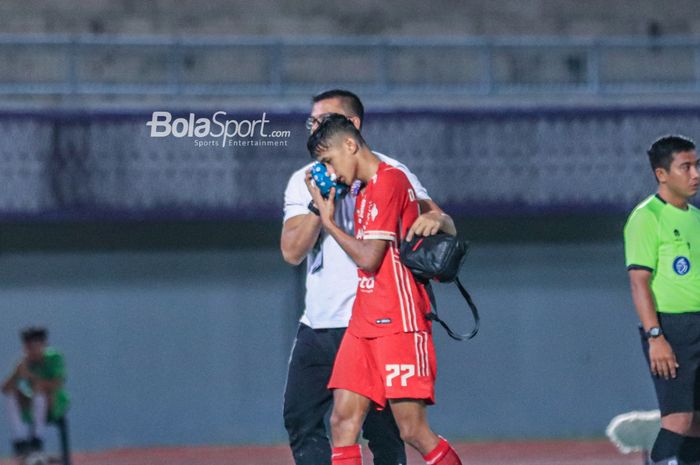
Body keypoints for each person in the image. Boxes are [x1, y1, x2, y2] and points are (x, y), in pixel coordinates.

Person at [281, 89, 456, 465]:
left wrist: (438, 219)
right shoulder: (314, 180)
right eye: (310, 122)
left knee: (408, 430)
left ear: (350, 134)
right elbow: (291, 251)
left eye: (322, 123)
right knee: (341, 421)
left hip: (396, 316)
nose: (313, 129)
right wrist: (321, 207)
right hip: (354, 318)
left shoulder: (390, 178)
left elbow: (372, 257)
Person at [624, 135, 700, 465]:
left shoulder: (696, 218)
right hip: (671, 328)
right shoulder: (647, 217)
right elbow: (639, 282)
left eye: (697, 165)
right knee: (678, 420)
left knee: (697, 422)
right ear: (662, 174)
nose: (695, 174)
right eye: (686, 167)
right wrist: (656, 336)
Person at [2, 327, 69, 459]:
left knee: (39, 389)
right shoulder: (24, 362)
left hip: (55, 403)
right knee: (12, 393)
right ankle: (20, 440)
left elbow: (57, 384)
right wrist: (16, 374)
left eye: (34, 345)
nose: (31, 350)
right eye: (27, 346)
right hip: (34, 405)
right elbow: (4, 389)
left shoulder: (55, 357)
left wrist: (30, 376)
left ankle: (38, 439)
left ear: (44, 344)